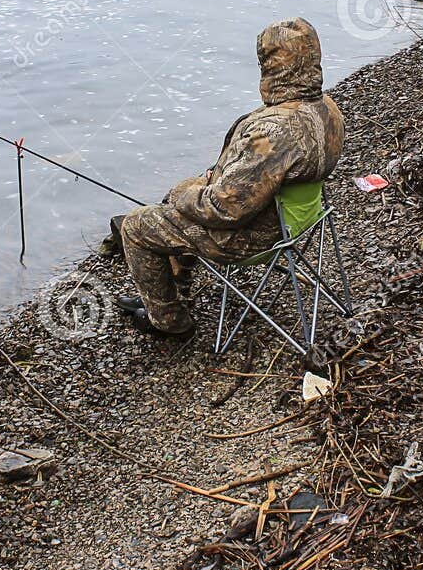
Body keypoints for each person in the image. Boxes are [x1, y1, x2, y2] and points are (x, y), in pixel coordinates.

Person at [114, 17, 345, 337]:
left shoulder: (272, 130)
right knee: (185, 194)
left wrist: (185, 194)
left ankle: (169, 321)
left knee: (136, 225)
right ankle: (177, 281)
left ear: (271, 64)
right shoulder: (327, 108)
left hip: (253, 237)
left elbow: (226, 209)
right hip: (301, 219)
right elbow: (263, 172)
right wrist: (212, 178)